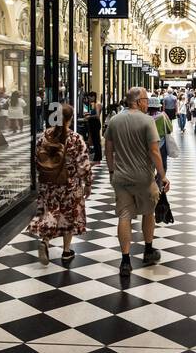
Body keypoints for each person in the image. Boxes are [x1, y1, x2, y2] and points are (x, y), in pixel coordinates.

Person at [104, 87, 170, 277]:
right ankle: (148, 250)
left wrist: (111, 170)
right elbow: (155, 151)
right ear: (138, 101)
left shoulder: (115, 120)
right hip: (144, 178)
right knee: (148, 212)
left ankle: (125, 261)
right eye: (146, 100)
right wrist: (163, 175)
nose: (147, 103)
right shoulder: (147, 121)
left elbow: (108, 149)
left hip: (121, 177)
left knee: (124, 216)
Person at [29, 104, 92, 267]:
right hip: (69, 185)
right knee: (68, 216)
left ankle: (45, 241)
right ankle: (66, 251)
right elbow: (83, 164)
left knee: (50, 212)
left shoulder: (44, 136)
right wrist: (88, 183)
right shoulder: (75, 138)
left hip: (48, 184)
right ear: (70, 119)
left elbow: (37, 160)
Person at [148, 94, 172, 168]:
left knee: (150, 163)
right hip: (161, 143)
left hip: (148, 144)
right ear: (158, 107)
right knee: (162, 163)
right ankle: (160, 177)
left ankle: (151, 177)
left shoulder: (144, 117)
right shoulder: (163, 116)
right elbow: (170, 129)